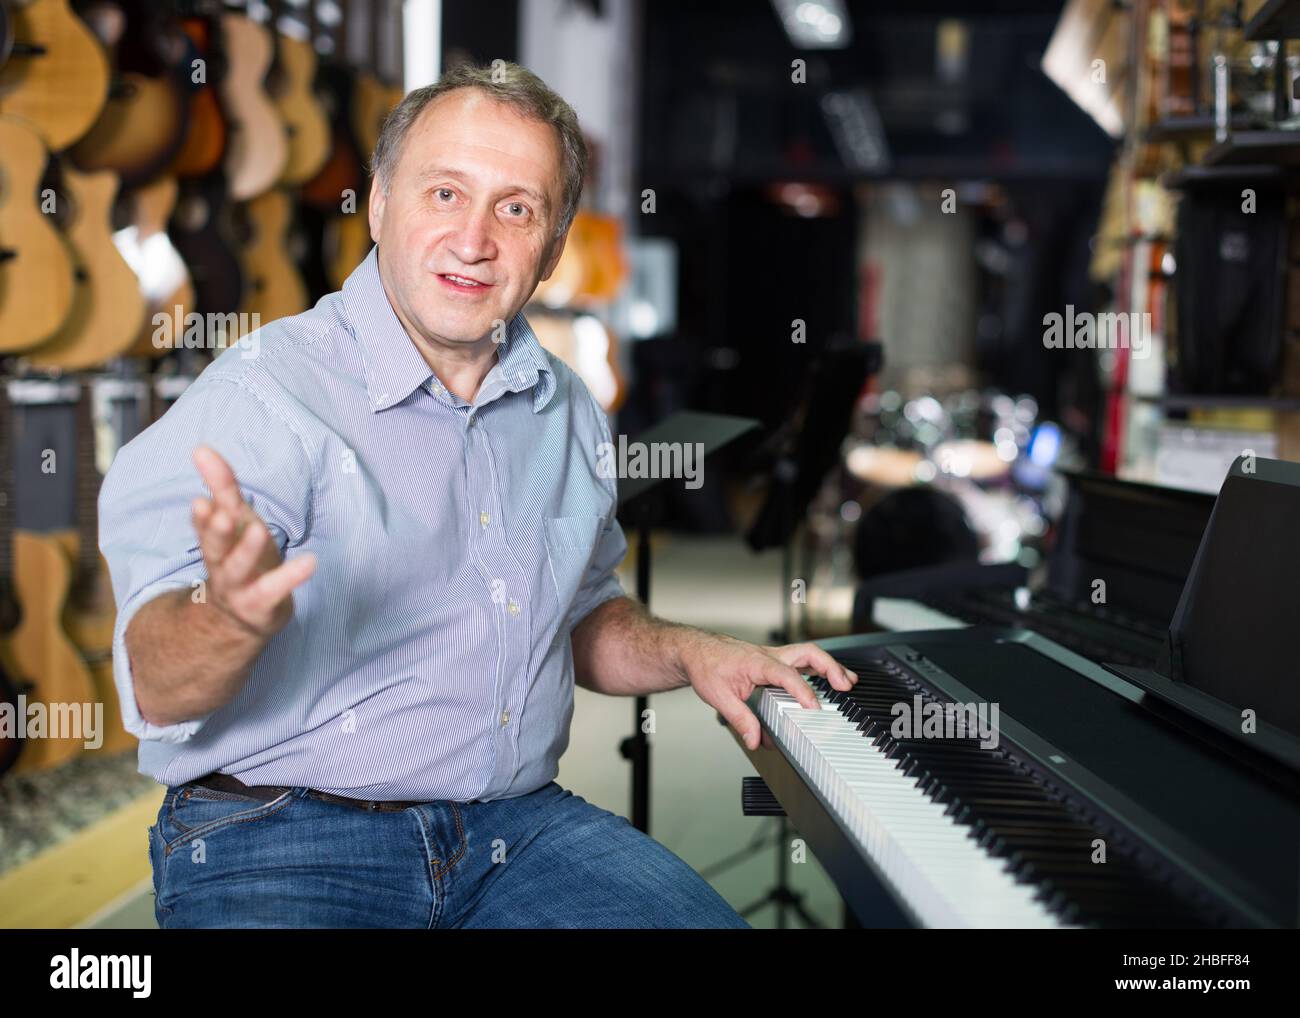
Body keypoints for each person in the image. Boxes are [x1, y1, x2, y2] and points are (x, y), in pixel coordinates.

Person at [100, 61, 857, 929]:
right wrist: (222, 621)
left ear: (555, 245)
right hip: (281, 829)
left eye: (517, 207)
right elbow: (156, 683)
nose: (474, 240)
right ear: (380, 204)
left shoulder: (564, 406)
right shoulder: (262, 396)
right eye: (445, 193)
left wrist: (690, 651)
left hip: (517, 831)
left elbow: (574, 615)